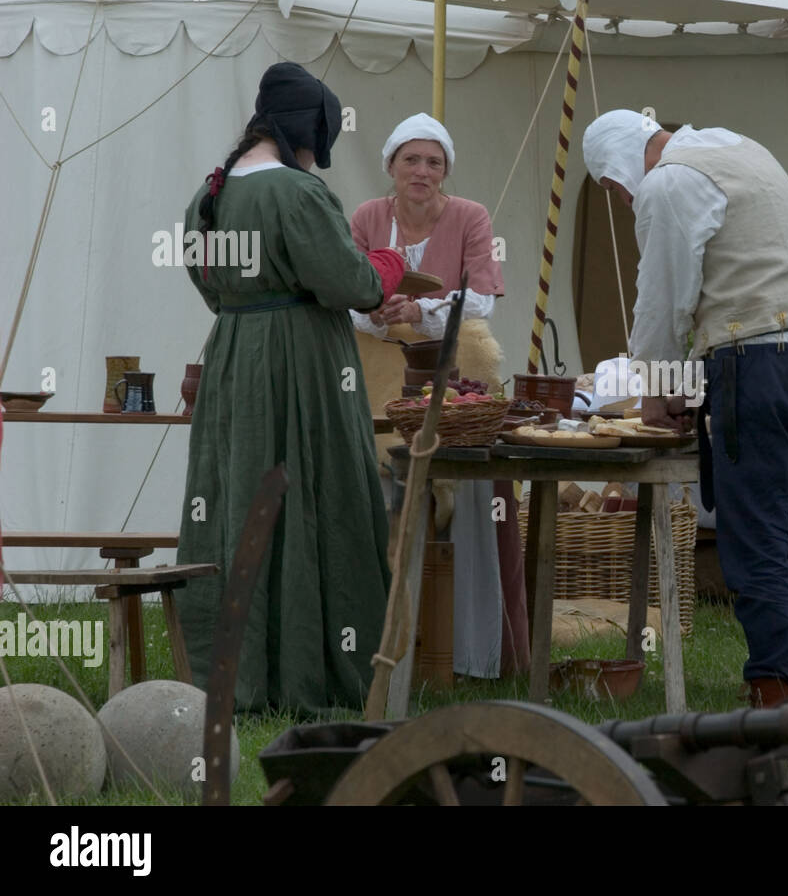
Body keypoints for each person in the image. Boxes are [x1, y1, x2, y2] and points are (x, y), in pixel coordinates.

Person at [581, 110, 788, 707]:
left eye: (614, 189)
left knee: (753, 540)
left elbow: (664, 300)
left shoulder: (668, 183)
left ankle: (772, 697)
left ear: (619, 165)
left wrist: (655, 389)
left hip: (761, 363)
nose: (622, 201)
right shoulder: (741, 144)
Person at [176, 62, 407, 713]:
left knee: (240, 502)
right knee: (318, 498)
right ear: (307, 129)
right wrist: (388, 266)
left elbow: (207, 284)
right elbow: (350, 284)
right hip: (303, 364)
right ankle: (317, 674)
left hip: (233, 361)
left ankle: (240, 676)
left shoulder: (208, 196)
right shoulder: (298, 194)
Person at [349, 114, 528, 679]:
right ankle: (378, 655)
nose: (422, 171)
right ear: (391, 166)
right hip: (377, 376)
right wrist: (374, 311)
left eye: (433, 162)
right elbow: (343, 287)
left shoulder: (470, 216)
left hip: (455, 376)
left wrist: (421, 312)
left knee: (468, 493)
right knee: (382, 494)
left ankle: (470, 655)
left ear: (445, 170)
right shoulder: (367, 217)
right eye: (411, 159)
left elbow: (483, 299)